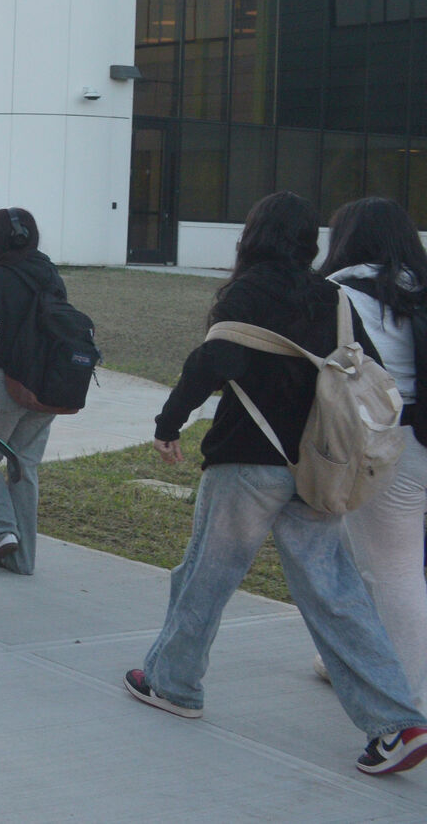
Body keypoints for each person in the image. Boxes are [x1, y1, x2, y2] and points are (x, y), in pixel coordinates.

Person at [125, 192, 427, 776]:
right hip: (318, 465)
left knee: (205, 577)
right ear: (307, 242)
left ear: (253, 236)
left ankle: (172, 683)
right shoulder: (333, 297)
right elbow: (360, 368)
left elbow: (211, 365)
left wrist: (169, 424)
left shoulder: (245, 293)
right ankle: (397, 722)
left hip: (248, 459)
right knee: (335, 594)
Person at [319, 196, 427, 706]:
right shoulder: (418, 287)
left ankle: (406, 697)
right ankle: (347, 657)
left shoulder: (338, 293)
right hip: (421, 439)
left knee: (394, 569)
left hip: (384, 445)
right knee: (364, 555)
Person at [0, 207, 65, 572]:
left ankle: (1, 532)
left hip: (2, 384)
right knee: (24, 467)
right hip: (48, 388)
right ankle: (23, 560)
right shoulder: (50, 275)